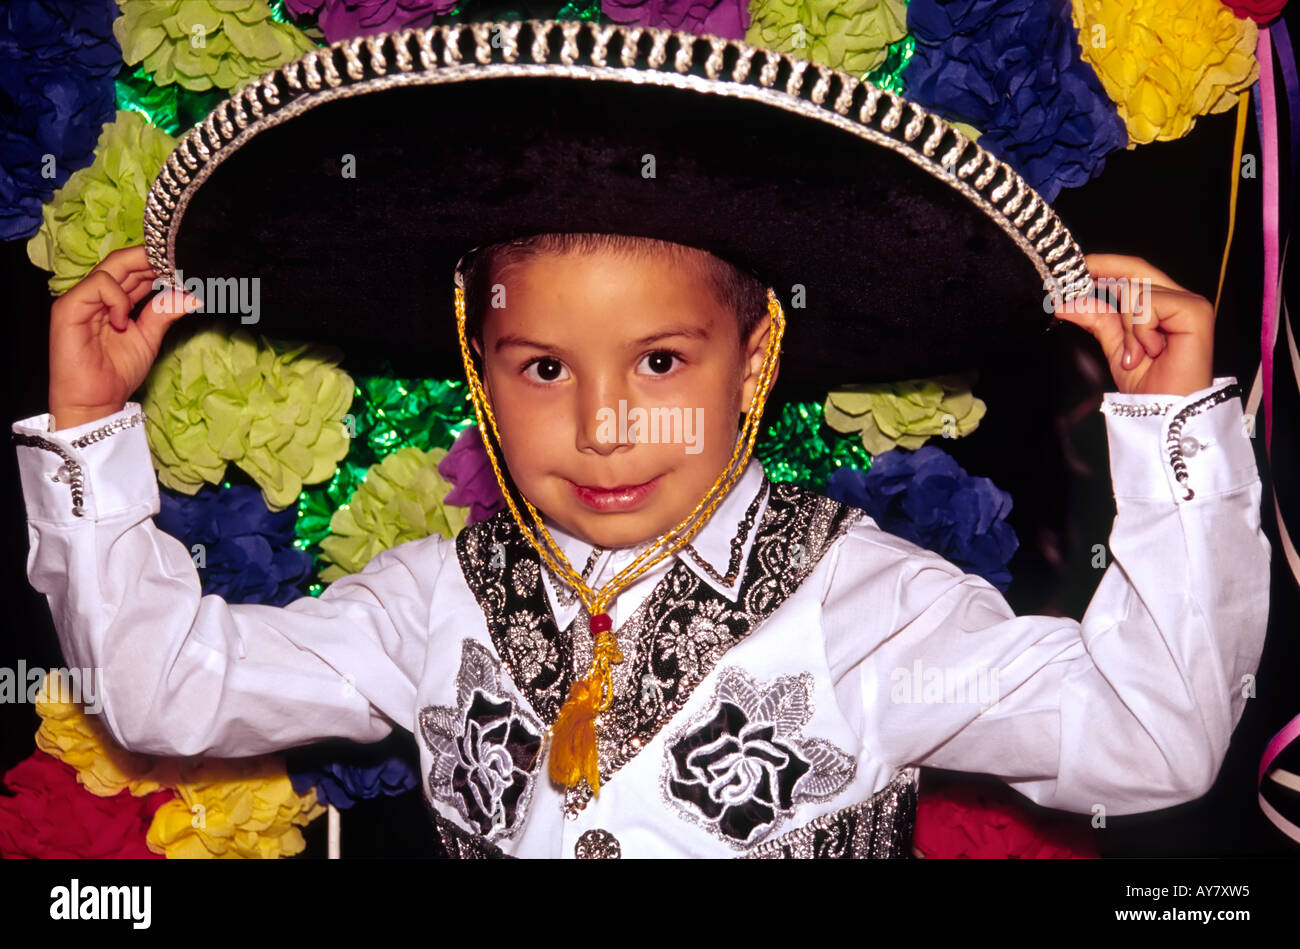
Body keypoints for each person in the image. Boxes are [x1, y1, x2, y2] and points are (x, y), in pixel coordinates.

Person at [11, 20, 1270, 858]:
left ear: (756, 360)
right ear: (478, 370)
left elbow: (1148, 740)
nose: (606, 425)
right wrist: (90, 434)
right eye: (545, 367)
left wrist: (1170, 436)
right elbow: (163, 693)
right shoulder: (421, 605)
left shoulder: (872, 608)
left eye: (660, 360)